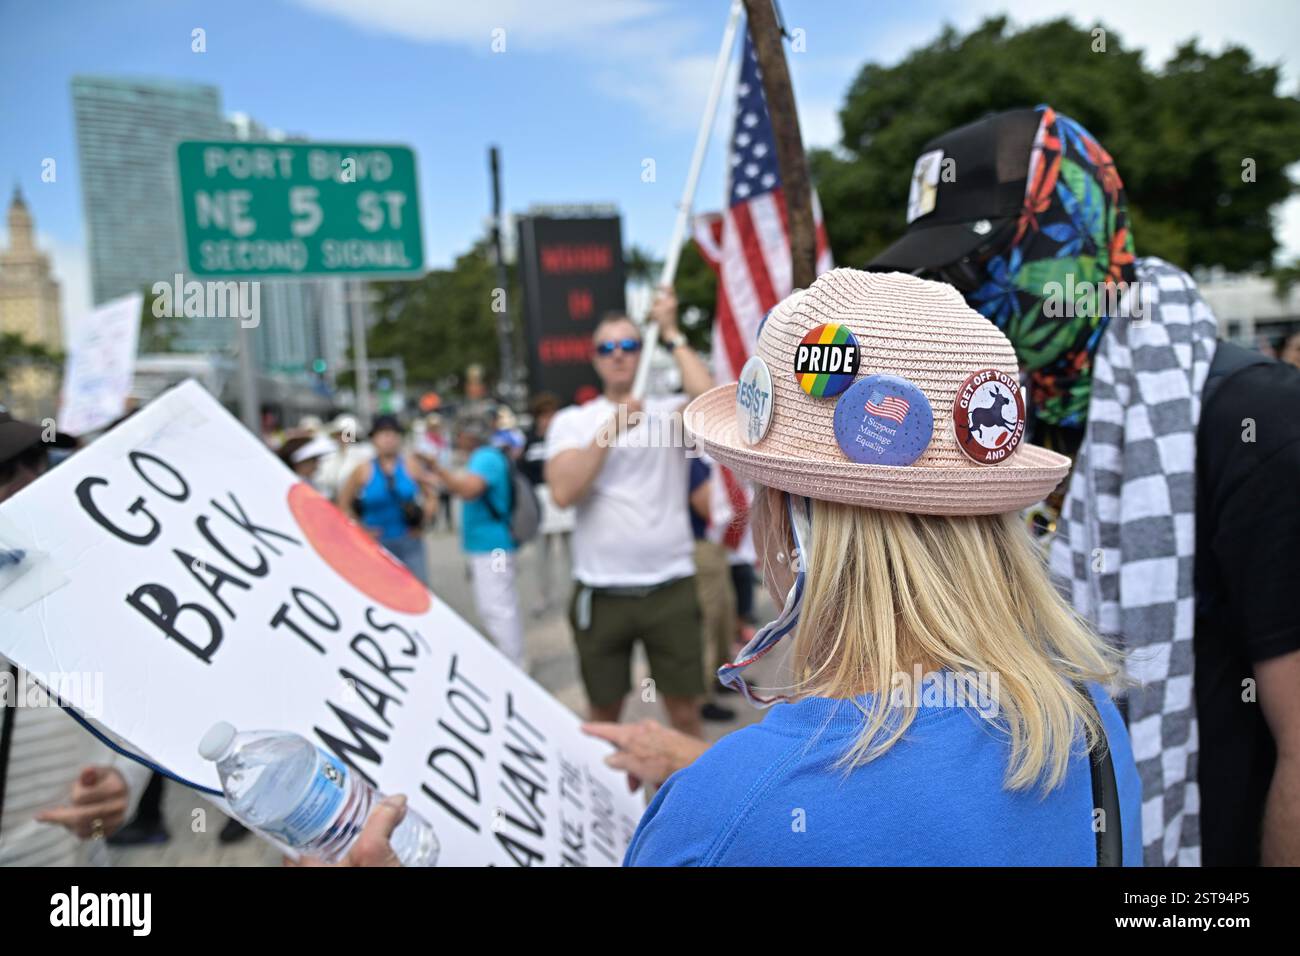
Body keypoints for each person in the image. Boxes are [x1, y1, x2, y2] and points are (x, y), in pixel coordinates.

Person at [328, 270, 1143, 867]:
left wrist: (722, 790)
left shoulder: (727, 815)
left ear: (800, 526)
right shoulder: (1088, 719)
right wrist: (715, 773)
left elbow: (795, 813)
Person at [867, 106, 1300, 866]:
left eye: (970, 269)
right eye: (931, 277)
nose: (953, 302)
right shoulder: (1001, 420)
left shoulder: (1253, 419)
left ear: (1069, 233)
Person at [544, 289, 714, 737]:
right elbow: (564, 492)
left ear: (642, 352)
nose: (618, 356)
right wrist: (611, 430)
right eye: (607, 348)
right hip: (602, 593)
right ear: (594, 358)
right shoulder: (573, 421)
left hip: (669, 585)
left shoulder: (667, 413)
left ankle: (687, 805)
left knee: (683, 713)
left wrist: (673, 333)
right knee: (603, 718)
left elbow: (713, 399)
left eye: (629, 345)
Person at [0, 407, 150, 864]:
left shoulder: (82, 584)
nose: (29, 480)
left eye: (37, 462)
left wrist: (122, 783)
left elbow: (137, 710)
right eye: (5, 470)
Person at [422, 409, 526, 667]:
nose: (457, 438)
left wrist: (437, 469)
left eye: (461, 432)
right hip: (492, 544)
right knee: (500, 603)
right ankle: (513, 658)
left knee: (497, 607)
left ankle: (514, 664)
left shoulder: (485, 457)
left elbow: (469, 490)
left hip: (493, 546)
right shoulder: (490, 455)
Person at [339, 415, 431, 584]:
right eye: (383, 434)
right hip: (376, 543)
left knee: (416, 590)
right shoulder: (363, 469)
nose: (388, 439)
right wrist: (360, 529)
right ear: (374, 439)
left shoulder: (411, 465)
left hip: (409, 540)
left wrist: (424, 520)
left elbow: (431, 494)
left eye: (393, 434)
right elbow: (343, 504)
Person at [687, 457, 736, 722]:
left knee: (723, 612)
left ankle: (721, 676)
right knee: (709, 618)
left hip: (711, 543)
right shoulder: (690, 460)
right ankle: (704, 696)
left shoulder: (698, 458)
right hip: (701, 545)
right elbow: (705, 505)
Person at [520, 392, 572, 616]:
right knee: (541, 555)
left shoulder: (566, 438)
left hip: (562, 497)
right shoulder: (529, 441)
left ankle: (574, 593)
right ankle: (543, 595)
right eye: (543, 415)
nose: (547, 420)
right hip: (539, 499)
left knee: (571, 552)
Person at [316, 414, 374, 503]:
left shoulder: (366, 453)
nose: (341, 437)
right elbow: (323, 480)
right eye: (339, 434)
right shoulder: (331, 456)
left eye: (346, 434)